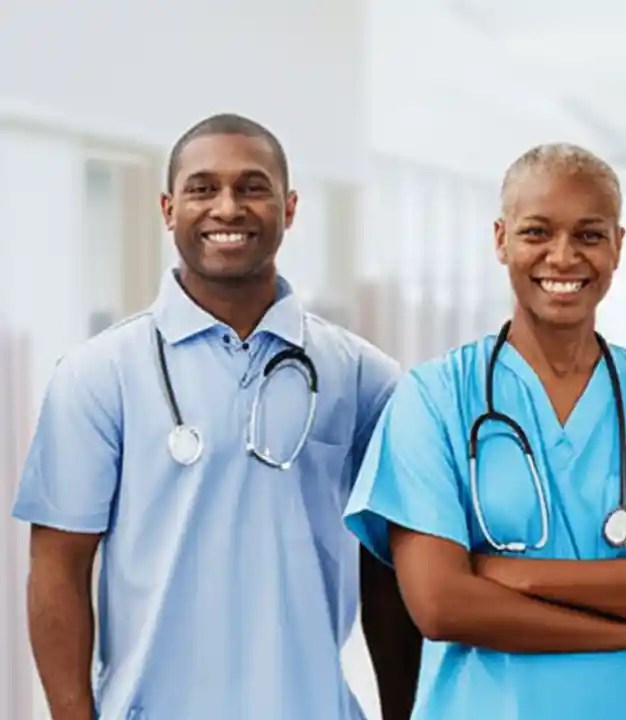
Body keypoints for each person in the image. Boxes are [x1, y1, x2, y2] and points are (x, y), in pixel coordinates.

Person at [12, 113, 419, 720]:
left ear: (290, 206)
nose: (227, 208)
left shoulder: (363, 376)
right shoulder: (99, 373)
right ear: (168, 208)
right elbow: (59, 566)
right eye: (203, 188)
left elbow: (389, 570)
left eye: (253, 187)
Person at [343, 142, 626, 720]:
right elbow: (441, 605)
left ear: (618, 246)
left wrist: (510, 573)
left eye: (590, 235)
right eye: (537, 232)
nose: (563, 257)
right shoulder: (435, 398)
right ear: (501, 239)